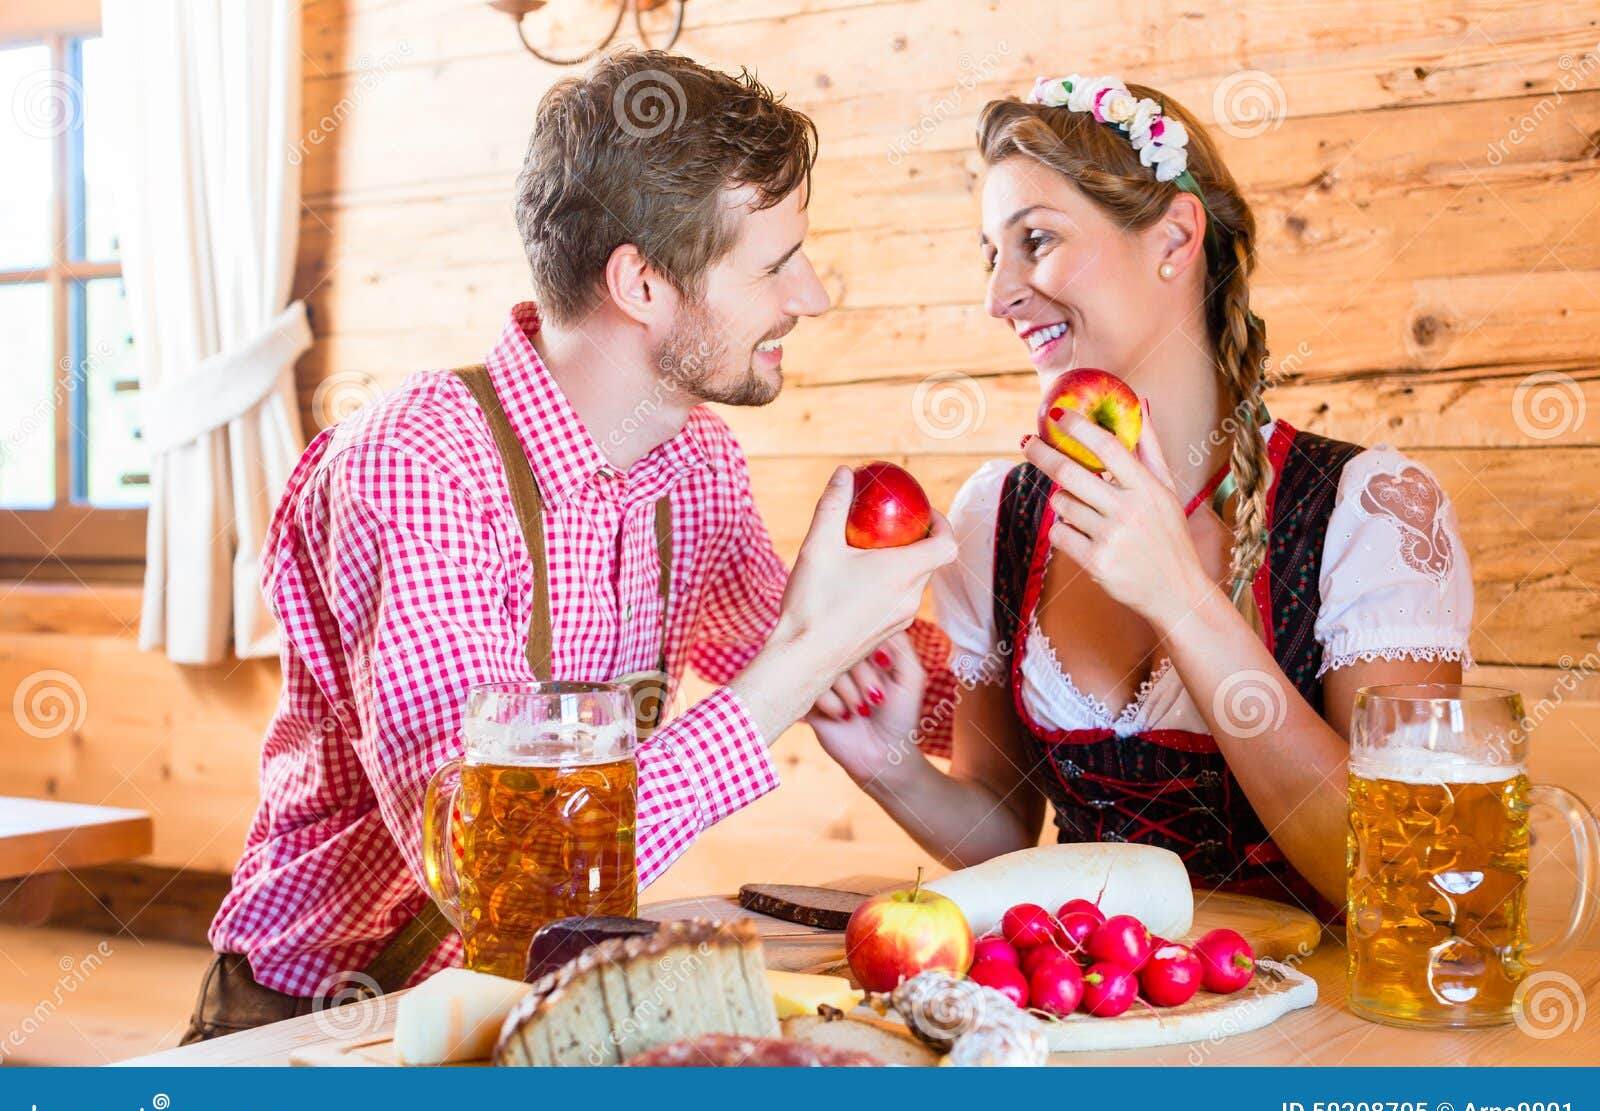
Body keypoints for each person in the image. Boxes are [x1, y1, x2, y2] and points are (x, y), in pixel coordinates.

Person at [182, 49, 956, 1043]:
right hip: (325, 1023)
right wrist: (799, 659)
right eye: (772, 264)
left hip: (542, 1012)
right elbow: (508, 882)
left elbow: (852, 671)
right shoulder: (417, 466)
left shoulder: (696, 465)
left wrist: (1097, 668)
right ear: (640, 281)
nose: (811, 295)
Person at [809, 74, 1473, 918]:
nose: (997, 294)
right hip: (1095, 1017)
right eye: (991, 254)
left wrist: (1180, 598)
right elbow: (1010, 833)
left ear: (1174, 237)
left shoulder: (1367, 512)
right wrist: (891, 766)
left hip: (1321, 1034)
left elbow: (1397, 877)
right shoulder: (1000, 517)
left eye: (1036, 240)